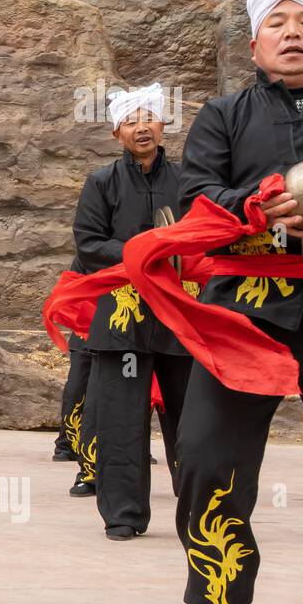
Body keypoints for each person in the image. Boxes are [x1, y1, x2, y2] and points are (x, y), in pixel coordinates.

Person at [174, 0, 303, 604]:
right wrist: (260, 206)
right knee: (207, 453)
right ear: (254, 44)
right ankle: (218, 594)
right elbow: (194, 199)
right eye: (277, 22)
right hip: (243, 312)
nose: (291, 31)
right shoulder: (222, 117)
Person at [67, 84, 192, 539]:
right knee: (121, 420)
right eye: (131, 121)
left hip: (179, 313)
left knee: (191, 417)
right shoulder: (101, 182)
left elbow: (204, 235)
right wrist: (144, 253)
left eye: (149, 118)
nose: (142, 127)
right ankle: (124, 515)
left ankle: (197, 510)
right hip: (122, 315)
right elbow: (89, 245)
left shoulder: (187, 180)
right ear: (117, 132)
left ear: (162, 125)